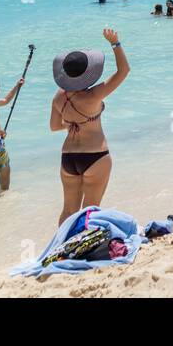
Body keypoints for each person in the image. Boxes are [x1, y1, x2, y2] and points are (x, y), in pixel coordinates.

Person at [50, 28, 129, 224]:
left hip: (68, 157)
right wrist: (115, 44)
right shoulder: (94, 95)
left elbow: (53, 126)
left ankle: (62, 247)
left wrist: (70, 125)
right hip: (95, 155)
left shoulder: (58, 96)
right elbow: (123, 71)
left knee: (68, 211)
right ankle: (84, 250)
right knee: (90, 211)